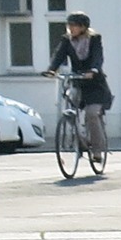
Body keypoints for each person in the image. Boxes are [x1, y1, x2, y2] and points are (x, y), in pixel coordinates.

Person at [44, 11, 111, 160]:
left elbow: (98, 56)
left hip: (95, 84)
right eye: (69, 25)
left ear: (83, 27)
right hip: (78, 81)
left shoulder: (94, 39)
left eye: (74, 25)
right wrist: (51, 70)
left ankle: (97, 150)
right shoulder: (67, 40)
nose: (71, 28)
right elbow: (59, 55)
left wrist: (93, 69)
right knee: (70, 108)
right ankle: (80, 141)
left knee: (92, 114)